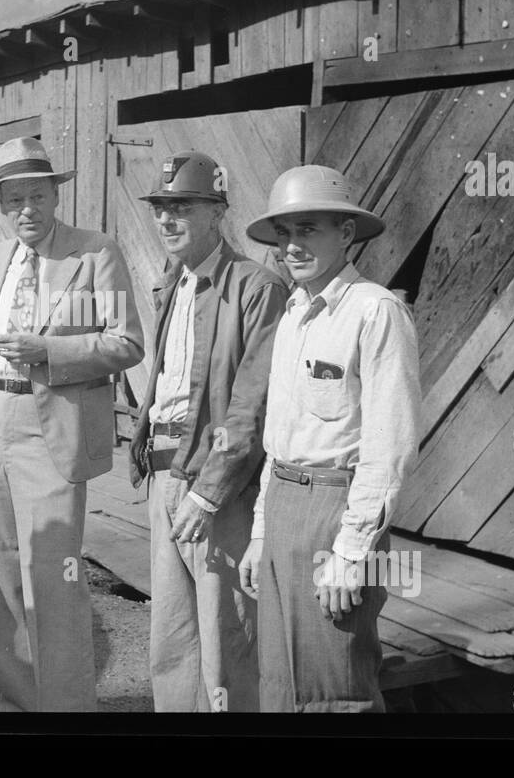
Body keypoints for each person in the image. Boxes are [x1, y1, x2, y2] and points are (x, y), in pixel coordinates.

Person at [0, 136, 144, 711]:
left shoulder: (94, 253)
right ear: (2, 204)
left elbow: (128, 342)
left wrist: (48, 351)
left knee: (55, 580)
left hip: (52, 422)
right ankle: (17, 705)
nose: (26, 210)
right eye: (13, 199)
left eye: (35, 196)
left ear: (55, 194)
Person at [237, 165, 419, 712]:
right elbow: (280, 441)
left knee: (334, 689)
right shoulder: (293, 312)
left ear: (346, 233)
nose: (293, 246)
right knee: (279, 684)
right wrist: (260, 532)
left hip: (336, 511)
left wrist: (352, 552)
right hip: (285, 503)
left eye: (309, 229)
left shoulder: (375, 311)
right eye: (285, 233)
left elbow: (389, 448)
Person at [127, 150, 287, 712]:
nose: (167, 220)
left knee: (227, 642)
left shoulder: (257, 286)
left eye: (183, 207)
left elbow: (252, 405)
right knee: (171, 641)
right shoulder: (174, 283)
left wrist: (209, 491)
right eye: (160, 208)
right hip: (165, 475)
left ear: (217, 212)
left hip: (214, 490)